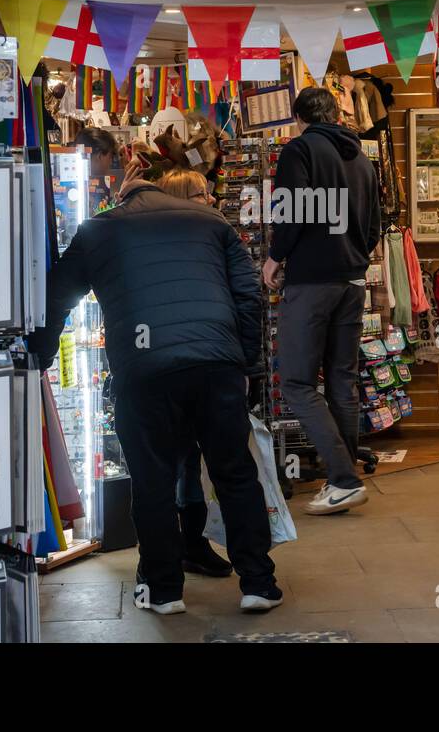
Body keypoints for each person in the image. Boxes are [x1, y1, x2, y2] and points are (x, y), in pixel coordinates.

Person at [29, 174, 280, 615]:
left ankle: (163, 591)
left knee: (153, 481)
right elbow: (248, 296)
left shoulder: (98, 229)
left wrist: (39, 356)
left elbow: (56, 297)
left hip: (144, 370)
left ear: (122, 197)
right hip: (215, 364)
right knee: (234, 473)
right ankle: (258, 582)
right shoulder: (211, 220)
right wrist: (246, 365)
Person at [262, 87, 381, 516]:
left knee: (295, 382)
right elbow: (374, 226)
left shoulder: (300, 150)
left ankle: (344, 479)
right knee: (340, 381)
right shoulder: (362, 158)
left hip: (312, 282)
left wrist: (275, 257)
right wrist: (355, 256)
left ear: (299, 119)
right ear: (335, 116)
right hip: (352, 281)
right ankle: (342, 478)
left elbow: (290, 211)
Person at [155, 167, 231, 577]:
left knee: (187, 458)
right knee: (180, 459)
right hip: (184, 365)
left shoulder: (195, 238)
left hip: (186, 362)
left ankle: (186, 546)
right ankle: (180, 549)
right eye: (203, 194)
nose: (213, 200)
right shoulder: (203, 241)